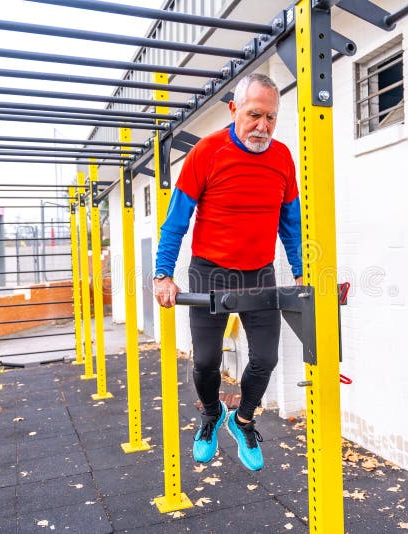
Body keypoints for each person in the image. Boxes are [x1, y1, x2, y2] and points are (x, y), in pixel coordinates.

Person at [153, 73, 302, 471]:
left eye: (271, 118)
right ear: (234, 109)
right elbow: (176, 219)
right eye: (255, 115)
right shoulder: (207, 152)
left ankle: (243, 419)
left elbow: (291, 222)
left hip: (259, 273)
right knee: (204, 361)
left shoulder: (283, 157)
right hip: (209, 273)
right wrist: (162, 274)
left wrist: (304, 272)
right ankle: (210, 416)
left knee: (265, 359)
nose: (262, 126)